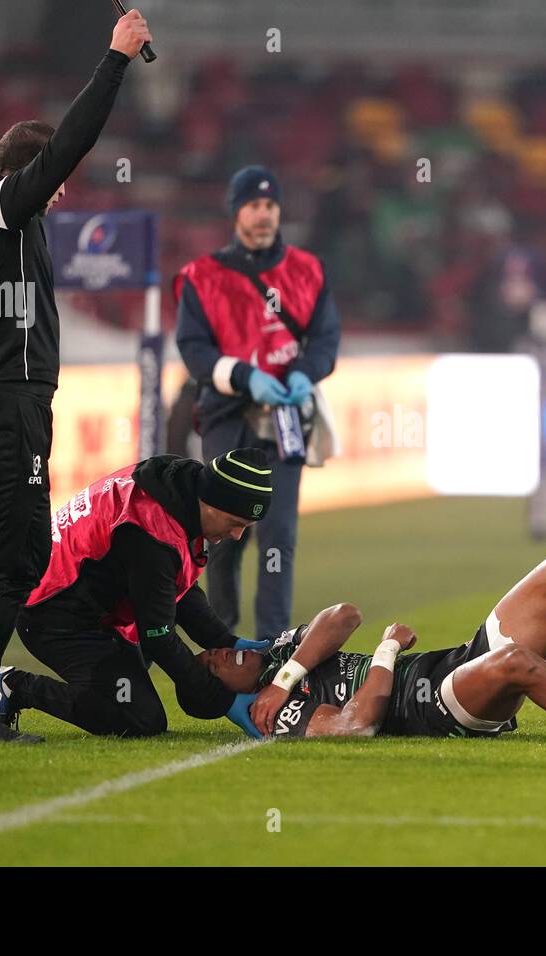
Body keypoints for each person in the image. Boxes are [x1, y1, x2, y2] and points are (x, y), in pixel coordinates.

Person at [0, 10, 154, 744]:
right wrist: (114, 59)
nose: (59, 196)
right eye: (52, 183)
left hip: (5, 405)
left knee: (20, 558)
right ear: (28, 174)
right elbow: (69, 145)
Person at [205, 549, 546, 744]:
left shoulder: (279, 660)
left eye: (218, 649)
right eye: (215, 665)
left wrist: (286, 672)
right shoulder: (274, 715)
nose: (225, 652)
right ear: (224, 694)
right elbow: (358, 724)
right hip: (438, 707)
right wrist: (386, 651)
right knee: (513, 663)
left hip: (458, 660)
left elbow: (343, 616)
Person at [174, 165, 341, 642]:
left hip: (286, 417)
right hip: (227, 415)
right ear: (236, 211)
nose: (263, 214)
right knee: (223, 533)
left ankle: (272, 646)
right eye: (253, 205)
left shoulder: (308, 270)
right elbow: (194, 349)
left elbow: (326, 339)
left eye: (270, 205)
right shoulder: (202, 277)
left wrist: (305, 375)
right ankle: (222, 639)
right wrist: (245, 376)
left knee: (278, 535)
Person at [0, 451, 269, 738]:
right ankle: (14, 685)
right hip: (53, 617)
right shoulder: (151, 532)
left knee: (132, 685)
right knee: (140, 718)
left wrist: (227, 641)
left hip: (79, 603)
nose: (237, 535)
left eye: (246, 527)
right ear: (212, 501)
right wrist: (223, 701)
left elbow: (176, 589)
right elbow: (158, 634)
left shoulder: (176, 490)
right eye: (235, 522)